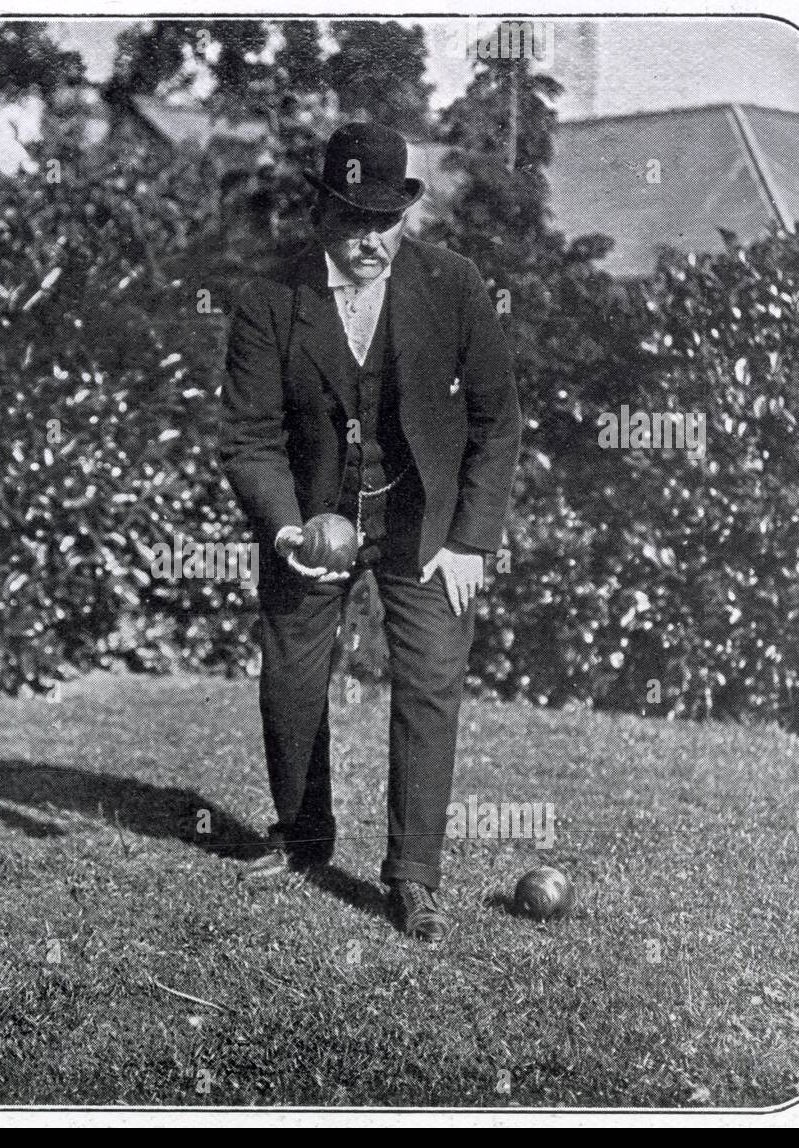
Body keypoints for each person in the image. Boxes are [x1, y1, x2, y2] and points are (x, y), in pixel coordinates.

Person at [220, 121, 521, 942]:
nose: (369, 240)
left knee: (429, 682)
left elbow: (498, 422)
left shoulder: (453, 285)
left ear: (405, 218)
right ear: (319, 214)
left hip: (423, 522)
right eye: (352, 220)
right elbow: (248, 437)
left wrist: (470, 541)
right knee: (290, 676)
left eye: (384, 222)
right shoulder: (267, 299)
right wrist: (285, 530)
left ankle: (413, 876)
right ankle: (304, 837)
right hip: (311, 520)